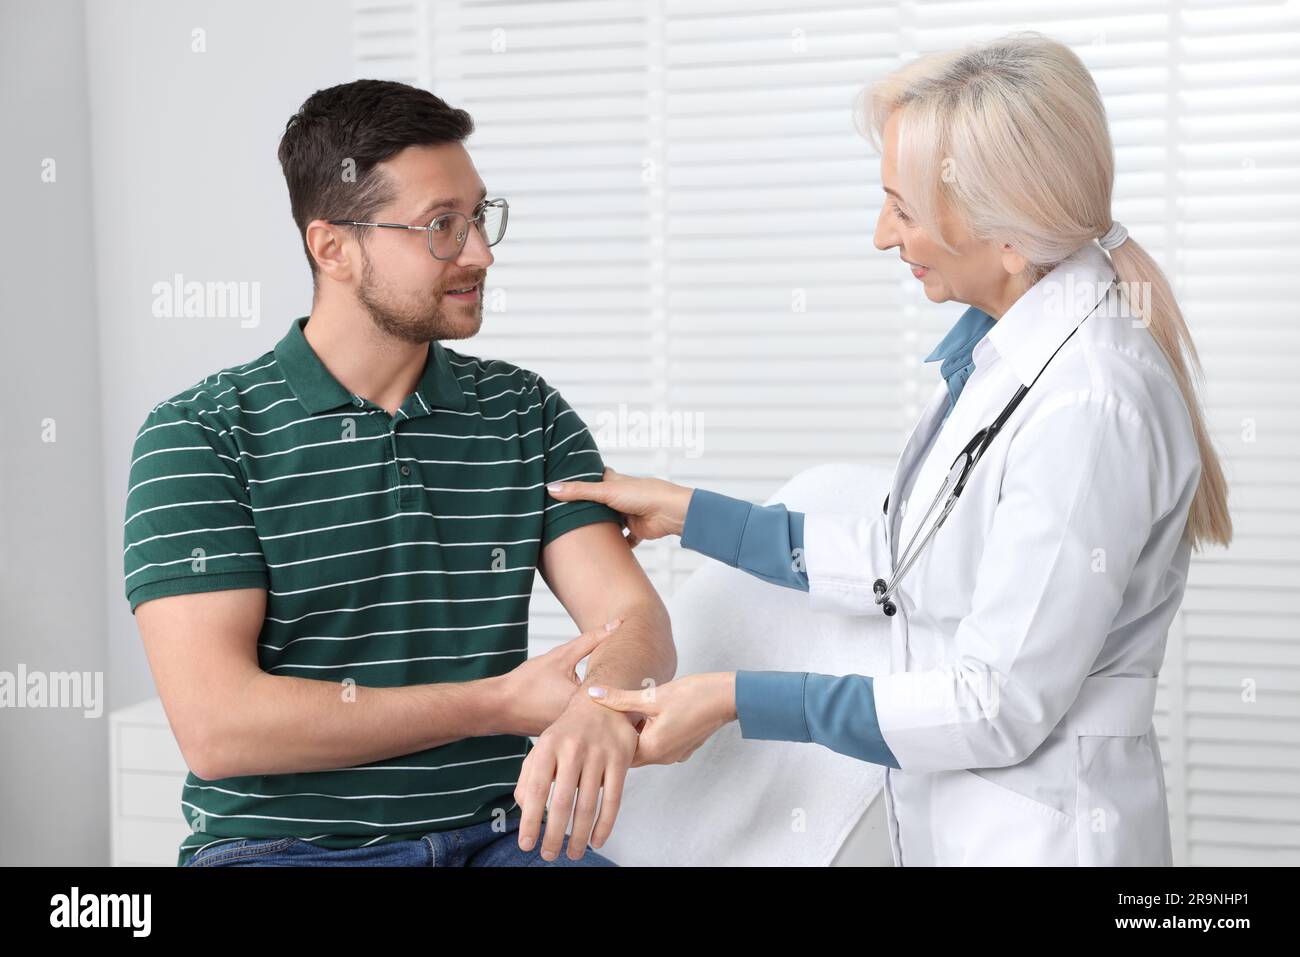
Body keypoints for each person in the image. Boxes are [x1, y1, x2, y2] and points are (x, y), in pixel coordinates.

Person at [547, 33, 1233, 866]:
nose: (881, 235)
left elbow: (996, 704)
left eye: (903, 209)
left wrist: (737, 699)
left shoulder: (1088, 403)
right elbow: (902, 555)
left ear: (1006, 236)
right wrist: (688, 514)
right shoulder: (1007, 356)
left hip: (1046, 834)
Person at [123, 79, 675, 867]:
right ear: (334, 248)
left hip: (501, 839)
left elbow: (636, 621)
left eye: (480, 217)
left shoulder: (523, 412)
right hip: (284, 850)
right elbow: (219, 726)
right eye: (441, 227)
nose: (479, 252)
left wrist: (599, 704)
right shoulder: (202, 437)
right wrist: (493, 704)